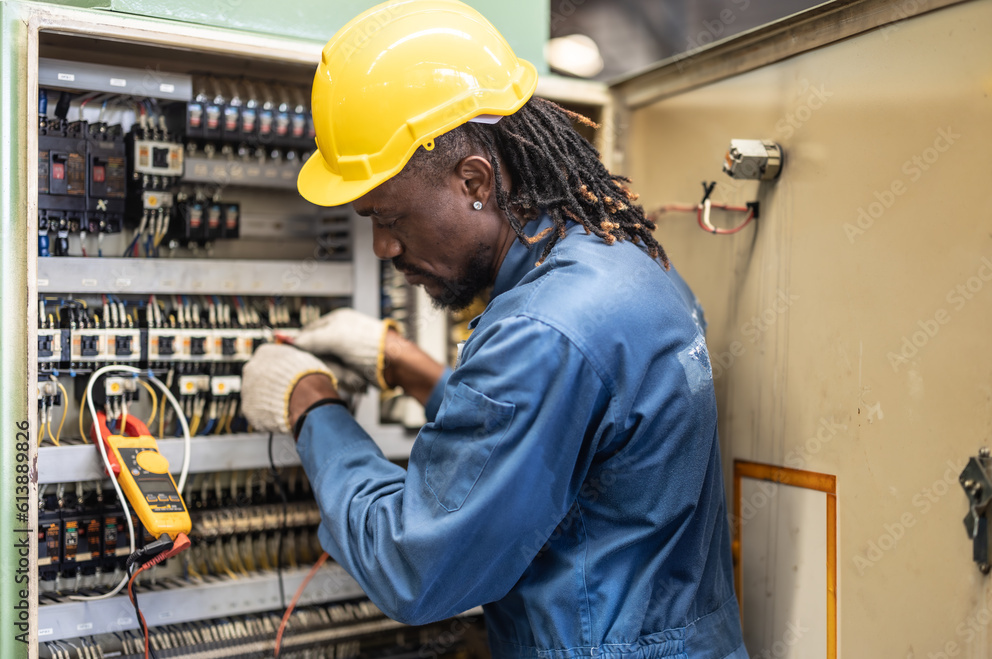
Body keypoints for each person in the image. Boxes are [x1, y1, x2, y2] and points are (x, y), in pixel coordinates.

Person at [240, 1, 749, 658]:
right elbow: (561, 446)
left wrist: (312, 405)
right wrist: (404, 362)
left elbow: (415, 565)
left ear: (473, 178)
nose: (382, 247)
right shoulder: (625, 264)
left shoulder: (542, 330)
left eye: (391, 216)